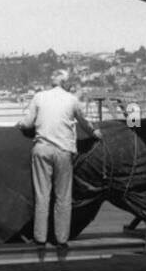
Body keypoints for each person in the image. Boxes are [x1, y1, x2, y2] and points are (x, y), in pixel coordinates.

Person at [17, 70, 102, 249]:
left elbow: (27, 123)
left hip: (41, 149)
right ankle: (61, 239)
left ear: (52, 82)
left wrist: (21, 125)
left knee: (42, 196)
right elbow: (84, 122)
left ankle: (40, 238)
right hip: (63, 151)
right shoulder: (71, 99)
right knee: (63, 197)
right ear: (65, 83)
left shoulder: (39, 97)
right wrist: (94, 132)